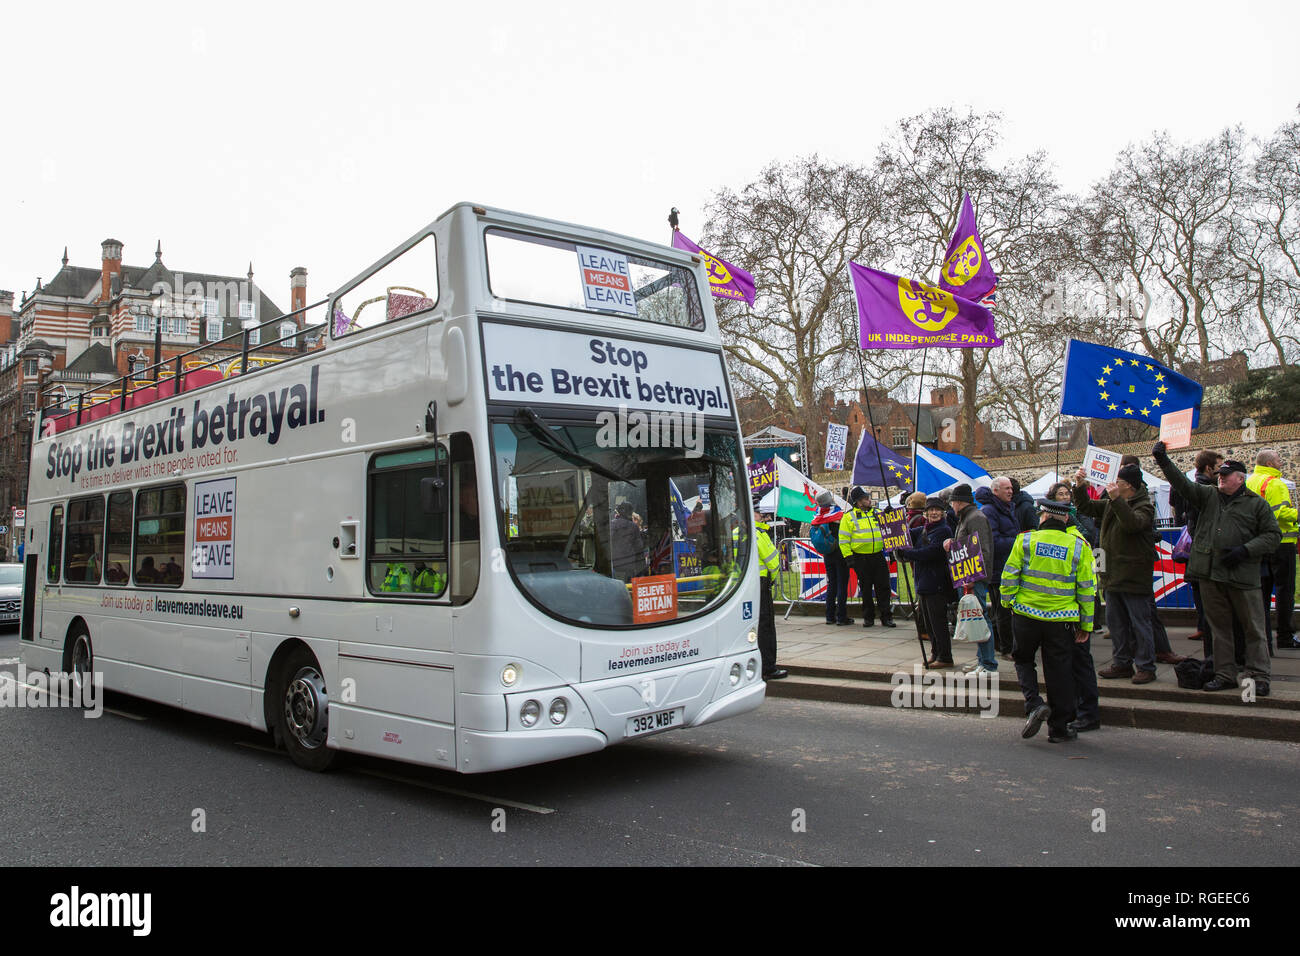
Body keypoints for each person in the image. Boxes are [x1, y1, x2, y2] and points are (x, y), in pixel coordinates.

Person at [1152, 446, 1280, 695]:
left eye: (1227, 474)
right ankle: (1225, 674)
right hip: (1211, 574)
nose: (1221, 476)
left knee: (1253, 628)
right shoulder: (1209, 496)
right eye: (1220, 473)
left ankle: (1258, 676)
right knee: (1219, 628)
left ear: (1240, 479)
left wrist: (1245, 550)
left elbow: (1272, 536)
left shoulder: (1256, 505)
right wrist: (1163, 460)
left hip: (1243, 577)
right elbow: (1182, 485)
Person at [1001, 496, 1097, 742]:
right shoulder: (1078, 546)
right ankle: (1059, 728)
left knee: (1023, 660)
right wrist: (1086, 624)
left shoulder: (1026, 540)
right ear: (1065, 518)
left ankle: (1034, 704)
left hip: (1026, 614)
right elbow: (1087, 588)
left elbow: (1009, 576)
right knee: (1060, 671)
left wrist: (1008, 602)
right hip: (1061, 619)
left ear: (1042, 516)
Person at [1072, 462, 1159, 684]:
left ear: (1128, 486)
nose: (1113, 485)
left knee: (1140, 624)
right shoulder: (1113, 503)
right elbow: (1086, 507)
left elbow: (1132, 524)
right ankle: (1121, 663)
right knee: (1117, 624)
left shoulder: (1144, 506)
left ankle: (1146, 666)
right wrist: (1080, 486)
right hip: (1112, 575)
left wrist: (1117, 500)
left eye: (1118, 482)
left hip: (1133, 575)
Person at [1049, 481, 1101, 731]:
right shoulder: (1067, 537)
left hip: (1074, 614)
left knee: (1080, 664)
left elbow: (1087, 585)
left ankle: (1088, 713)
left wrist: (1086, 623)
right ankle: (1077, 710)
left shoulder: (1074, 540)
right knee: (1072, 665)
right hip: (1064, 613)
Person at [1247, 449, 1300, 650]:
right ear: (1269, 463)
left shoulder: (1250, 481)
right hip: (1281, 543)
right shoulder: (1276, 483)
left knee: (1261, 592)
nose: (1281, 462)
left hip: (1259, 544)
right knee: (1285, 591)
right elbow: (1279, 512)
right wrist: (1297, 513)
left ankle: (1263, 640)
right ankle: (1285, 636)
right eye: (1278, 459)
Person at [1173, 449, 1223, 656]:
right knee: (1205, 596)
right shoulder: (1203, 488)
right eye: (1219, 467)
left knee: (1202, 595)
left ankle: (1206, 631)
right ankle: (1209, 641)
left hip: (1203, 553)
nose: (1222, 472)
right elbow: (1194, 520)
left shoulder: (1205, 486)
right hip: (1203, 552)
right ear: (1208, 467)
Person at [894, 498, 955, 668]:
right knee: (928, 623)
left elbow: (931, 552)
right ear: (925, 513)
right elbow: (904, 533)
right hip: (923, 581)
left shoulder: (944, 530)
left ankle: (945, 656)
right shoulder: (924, 530)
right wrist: (892, 521)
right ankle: (935, 653)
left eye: (937, 510)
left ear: (942, 512)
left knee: (938, 622)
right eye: (931, 510)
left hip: (937, 582)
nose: (934, 513)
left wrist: (908, 553)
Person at [947, 484, 998, 674]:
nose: (952, 506)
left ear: (959, 502)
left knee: (980, 618)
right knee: (976, 618)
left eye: (953, 502)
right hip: (969, 576)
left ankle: (988, 664)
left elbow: (981, 550)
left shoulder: (974, 518)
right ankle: (982, 660)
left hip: (973, 578)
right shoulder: (967, 517)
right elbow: (965, 546)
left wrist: (972, 577)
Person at [839, 486, 894, 628]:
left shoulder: (877, 513)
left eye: (867, 497)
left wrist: (890, 514)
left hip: (878, 555)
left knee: (883, 587)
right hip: (861, 557)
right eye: (864, 498)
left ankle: (886, 616)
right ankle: (868, 617)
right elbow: (844, 539)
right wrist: (848, 557)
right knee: (866, 588)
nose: (868, 500)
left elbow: (891, 528)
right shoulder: (848, 517)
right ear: (858, 501)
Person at [979, 477, 1020, 656]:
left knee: (1004, 610)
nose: (1010, 491)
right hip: (998, 569)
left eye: (1011, 488)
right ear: (995, 491)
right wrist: (1019, 542)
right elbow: (992, 541)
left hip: (1008, 566)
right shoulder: (990, 511)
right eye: (1006, 488)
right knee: (1002, 611)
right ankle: (1006, 648)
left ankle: (1003, 644)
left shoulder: (1007, 507)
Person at [753, 498, 786, 680]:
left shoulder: (736, 532)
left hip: (743, 586)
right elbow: (773, 562)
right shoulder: (759, 534)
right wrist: (772, 579)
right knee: (766, 627)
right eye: (760, 513)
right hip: (761, 583)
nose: (764, 517)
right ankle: (769, 667)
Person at [811, 490, 852, 625]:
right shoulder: (838, 515)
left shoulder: (817, 515)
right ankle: (841, 616)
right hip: (840, 552)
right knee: (841, 584)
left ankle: (829, 615)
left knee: (831, 584)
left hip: (828, 553)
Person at [610, 501, 647, 582]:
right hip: (630, 566)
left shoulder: (612, 524)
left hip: (615, 565)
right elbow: (639, 547)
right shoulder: (633, 526)